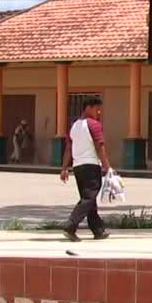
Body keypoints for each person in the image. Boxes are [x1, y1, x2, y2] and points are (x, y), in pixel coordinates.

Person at [59, 96, 111, 242]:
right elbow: (100, 146)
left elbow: (68, 148)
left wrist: (64, 168)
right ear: (88, 107)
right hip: (91, 166)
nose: (99, 112)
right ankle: (70, 226)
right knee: (88, 198)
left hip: (78, 167)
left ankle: (98, 230)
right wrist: (107, 166)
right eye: (97, 109)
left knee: (89, 199)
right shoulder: (94, 125)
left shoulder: (74, 126)